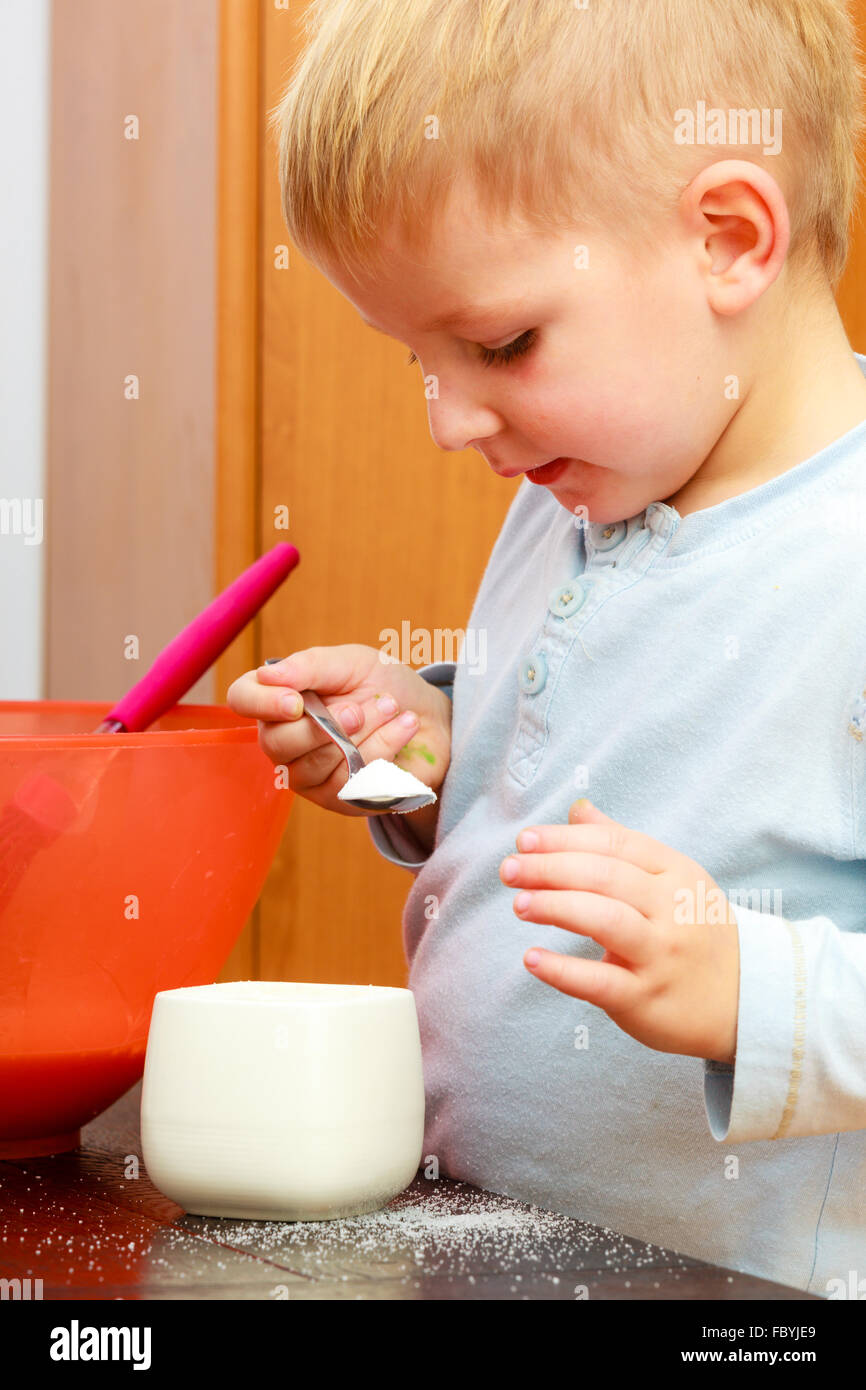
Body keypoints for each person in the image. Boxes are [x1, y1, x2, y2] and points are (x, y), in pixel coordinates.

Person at [228, 0, 866, 1294]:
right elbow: (573, 759)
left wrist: (756, 986)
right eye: (416, 359)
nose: (449, 418)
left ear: (727, 238)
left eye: (499, 343)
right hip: (492, 1250)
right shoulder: (568, 495)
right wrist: (421, 747)